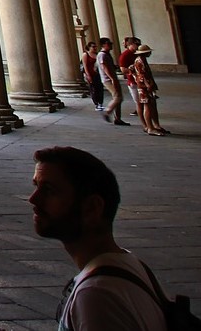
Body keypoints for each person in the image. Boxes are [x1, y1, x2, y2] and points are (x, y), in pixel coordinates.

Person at [29, 145, 167, 330]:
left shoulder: (96, 296)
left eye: (49, 190)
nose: (33, 199)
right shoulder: (129, 263)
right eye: (36, 186)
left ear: (92, 208)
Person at [125, 45, 167, 136]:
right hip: (144, 87)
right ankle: (150, 127)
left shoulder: (141, 60)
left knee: (152, 105)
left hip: (145, 86)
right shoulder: (140, 61)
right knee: (147, 105)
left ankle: (155, 125)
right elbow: (142, 75)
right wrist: (148, 85)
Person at [95, 38, 128, 126]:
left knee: (118, 97)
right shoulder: (102, 54)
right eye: (108, 44)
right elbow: (104, 67)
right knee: (117, 97)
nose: (110, 45)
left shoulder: (106, 54)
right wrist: (112, 78)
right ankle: (107, 111)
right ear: (103, 45)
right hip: (108, 79)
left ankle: (118, 118)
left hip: (111, 78)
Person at [82, 38, 104, 111]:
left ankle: (100, 103)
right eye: (93, 46)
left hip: (98, 74)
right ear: (89, 47)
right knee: (93, 89)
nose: (95, 48)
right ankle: (96, 104)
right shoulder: (85, 55)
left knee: (100, 88)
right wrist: (88, 75)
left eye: (95, 46)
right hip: (91, 74)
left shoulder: (97, 54)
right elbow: (85, 66)